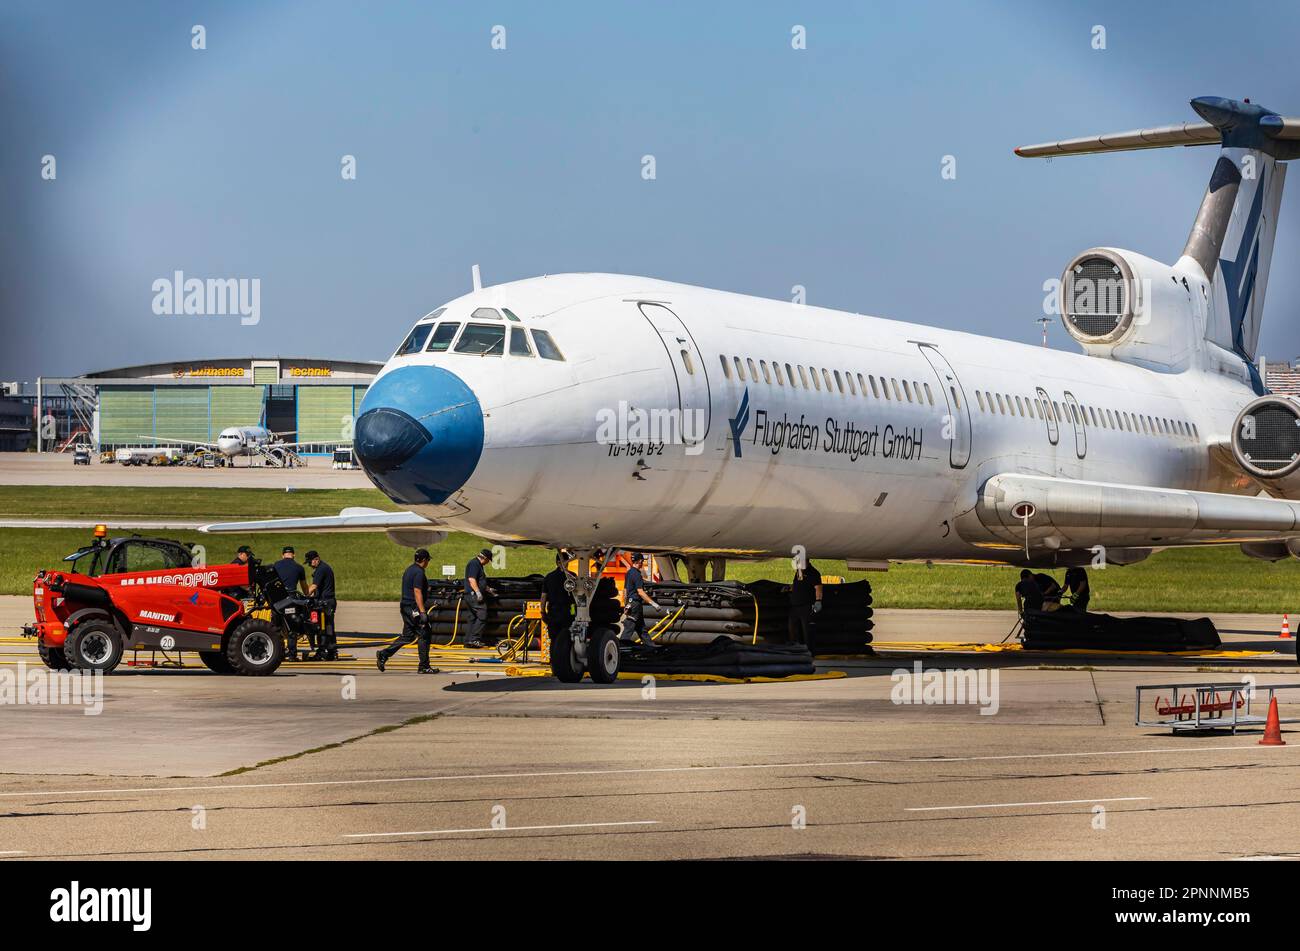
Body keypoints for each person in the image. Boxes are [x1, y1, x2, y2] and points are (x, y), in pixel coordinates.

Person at [376, 548, 436, 674]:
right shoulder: (419, 572)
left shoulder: (410, 570)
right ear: (424, 560)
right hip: (414, 608)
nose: (428, 563)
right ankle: (424, 666)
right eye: (428, 560)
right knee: (424, 634)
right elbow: (417, 591)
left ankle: (384, 654)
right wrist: (423, 612)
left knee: (408, 636)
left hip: (405, 607)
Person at [620, 552, 660, 647]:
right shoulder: (637, 575)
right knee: (630, 626)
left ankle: (650, 646)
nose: (642, 563)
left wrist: (626, 604)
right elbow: (640, 592)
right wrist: (654, 604)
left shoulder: (629, 573)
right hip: (635, 604)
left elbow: (625, 590)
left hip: (630, 602)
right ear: (640, 561)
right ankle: (620, 646)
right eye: (642, 561)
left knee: (641, 628)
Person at [305, 550, 337, 660]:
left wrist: (305, 595)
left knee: (323, 628)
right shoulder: (323, 567)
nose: (309, 565)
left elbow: (314, 586)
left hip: (326, 602)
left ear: (316, 559)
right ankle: (331, 651)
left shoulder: (321, 569)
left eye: (310, 562)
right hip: (327, 601)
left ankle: (323, 651)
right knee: (328, 627)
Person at [463, 548, 495, 649]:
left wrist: (488, 589)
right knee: (482, 615)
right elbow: (472, 579)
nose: (487, 563)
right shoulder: (474, 564)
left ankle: (468, 641)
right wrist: (478, 593)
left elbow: (479, 580)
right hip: (473, 595)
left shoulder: (477, 564)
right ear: (484, 558)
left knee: (472, 618)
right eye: (488, 560)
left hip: (471, 595)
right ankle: (474, 639)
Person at [788, 559, 823, 650]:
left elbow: (818, 588)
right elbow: (799, 584)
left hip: (806, 607)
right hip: (795, 606)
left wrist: (818, 600)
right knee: (793, 631)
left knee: (807, 632)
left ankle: (809, 653)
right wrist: (791, 589)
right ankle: (796, 651)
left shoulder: (814, 573)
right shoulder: (799, 571)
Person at [541, 551, 575, 642]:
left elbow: (544, 596)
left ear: (556, 562)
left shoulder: (549, 577)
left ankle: (554, 655)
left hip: (553, 613)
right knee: (568, 640)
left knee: (554, 640)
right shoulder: (573, 577)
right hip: (568, 614)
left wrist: (543, 612)